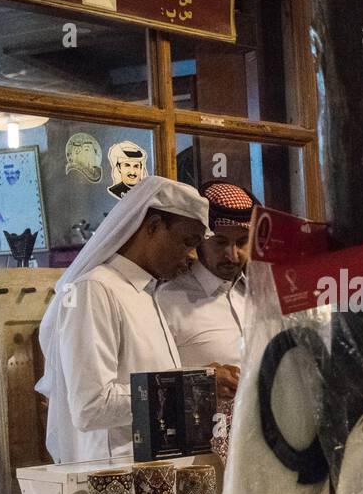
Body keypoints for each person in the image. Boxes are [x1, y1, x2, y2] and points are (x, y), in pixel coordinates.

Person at [36, 175, 209, 464]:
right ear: (152, 227)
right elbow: (91, 406)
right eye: (187, 242)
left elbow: (146, 381)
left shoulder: (144, 292)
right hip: (115, 481)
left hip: (153, 479)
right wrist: (190, 388)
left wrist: (195, 381)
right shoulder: (95, 289)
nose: (193, 255)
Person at [159, 180, 257, 399]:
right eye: (220, 242)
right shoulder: (166, 300)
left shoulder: (260, 296)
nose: (233, 255)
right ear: (200, 240)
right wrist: (201, 382)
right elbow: (151, 382)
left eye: (241, 242)